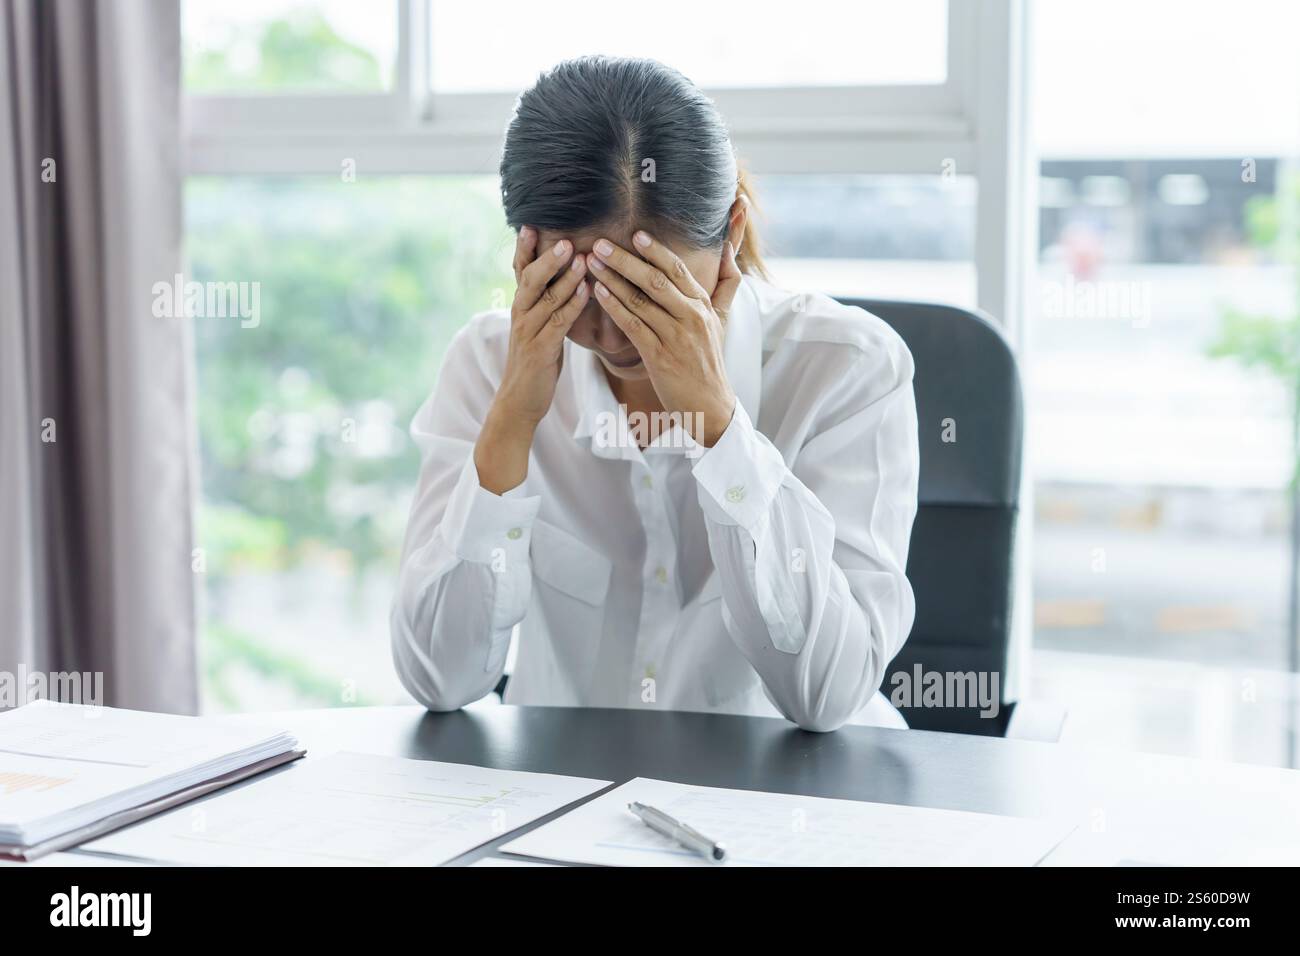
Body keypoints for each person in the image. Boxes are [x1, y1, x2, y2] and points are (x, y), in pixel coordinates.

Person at [391, 56, 919, 731]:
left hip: (795, 803)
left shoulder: (847, 369)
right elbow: (439, 679)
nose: (614, 334)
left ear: (729, 232)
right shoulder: (488, 364)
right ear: (525, 251)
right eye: (578, 289)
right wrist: (513, 422)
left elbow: (827, 695)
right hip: (565, 799)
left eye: (648, 292)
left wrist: (720, 429)